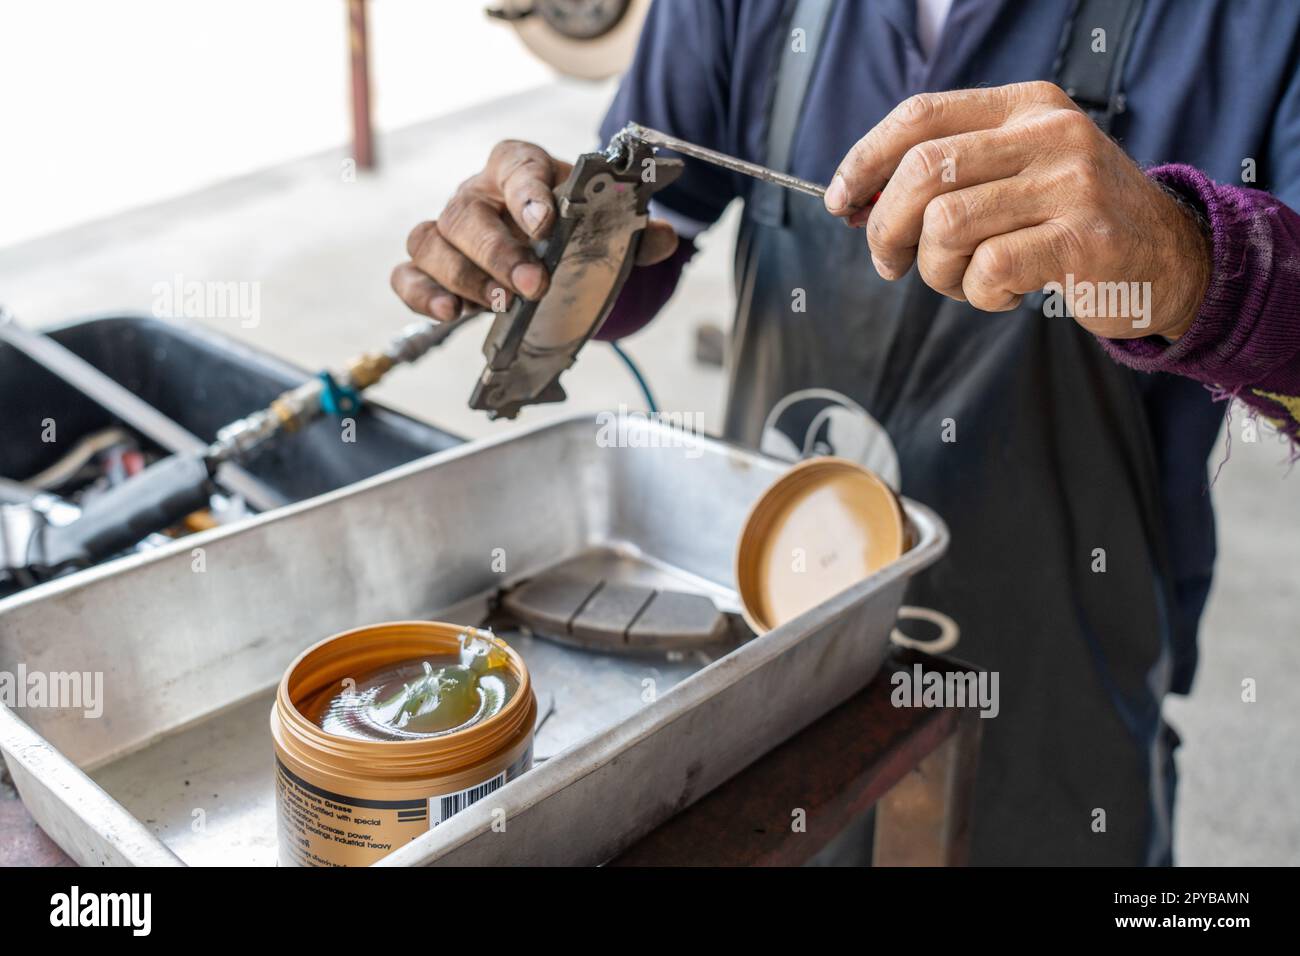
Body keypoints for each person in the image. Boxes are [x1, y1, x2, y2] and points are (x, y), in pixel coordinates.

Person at [391, 0, 1300, 864]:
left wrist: (1185, 260)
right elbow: (658, 221)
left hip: (1062, 688)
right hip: (773, 654)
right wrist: (560, 249)